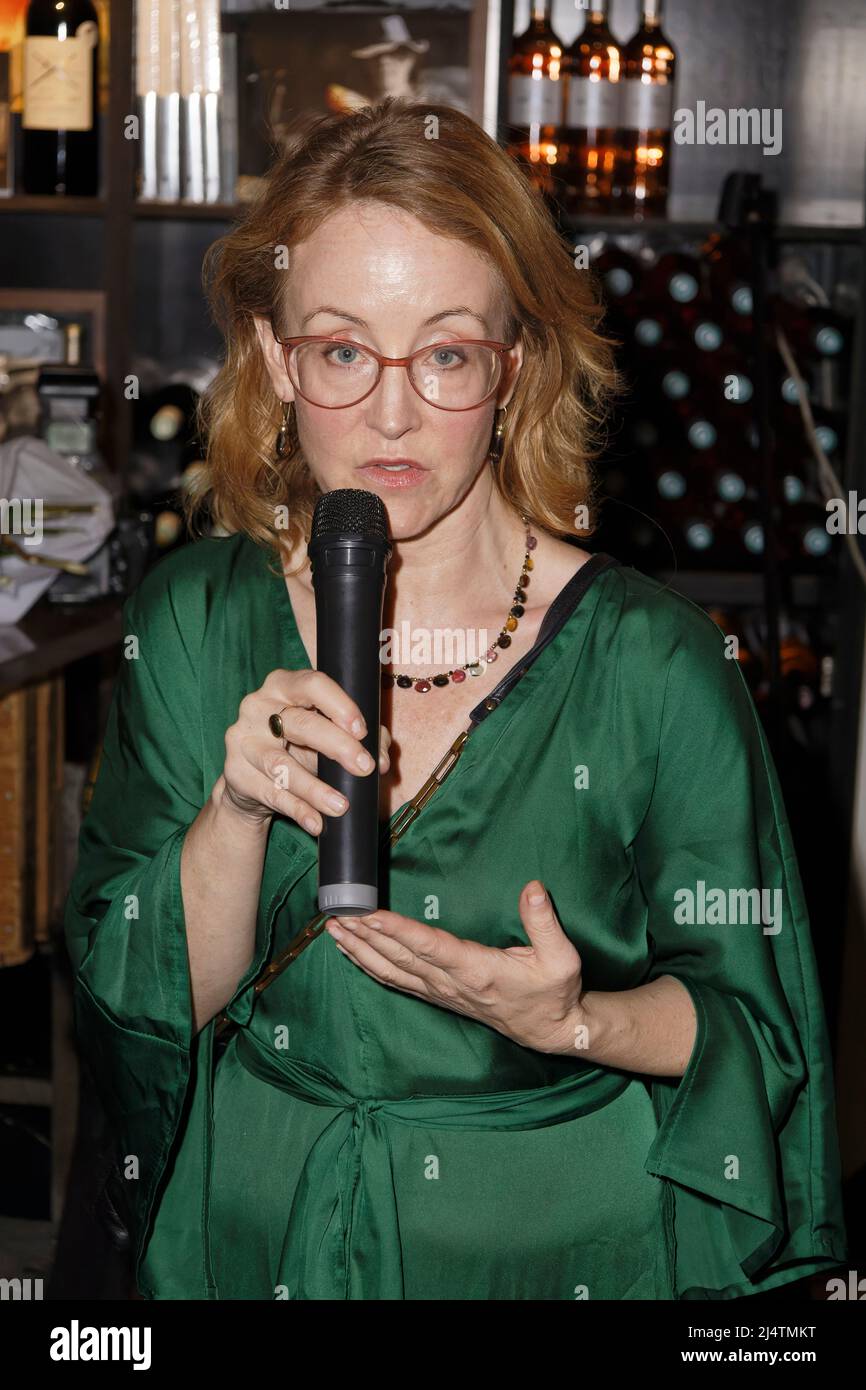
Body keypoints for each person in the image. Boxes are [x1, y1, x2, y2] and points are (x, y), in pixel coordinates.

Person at [64, 99, 847, 1301]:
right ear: (276, 356)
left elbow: (759, 1031)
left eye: (442, 353)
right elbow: (136, 1004)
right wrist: (232, 816)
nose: (390, 414)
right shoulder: (193, 618)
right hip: (250, 1241)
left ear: (513, 363)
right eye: (339, 350)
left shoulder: (655, 660)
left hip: (552, 1251)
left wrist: (574, 1019)